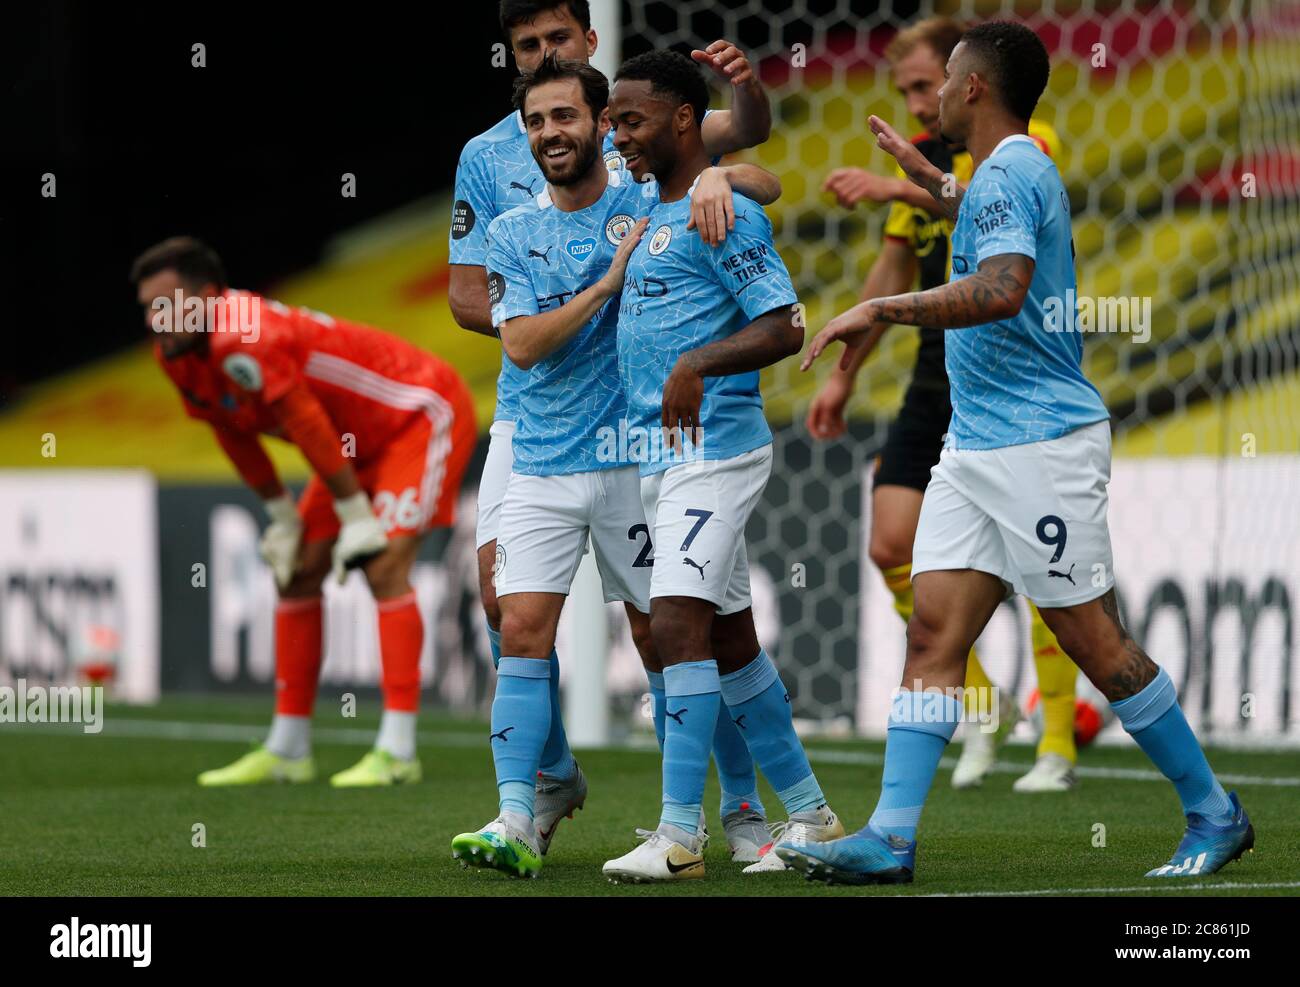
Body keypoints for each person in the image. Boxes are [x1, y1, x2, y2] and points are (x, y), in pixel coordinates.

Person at [785, 21, 1254, 884]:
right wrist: (928, 182)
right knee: (933, 630)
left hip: (1040, 444)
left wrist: (881, 310)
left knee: (1093, 642)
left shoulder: (1011, 168)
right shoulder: (1002, 174)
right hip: (976, 445)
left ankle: (1216, 811)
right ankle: (890, 836)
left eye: (945, 81)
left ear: (972, 88)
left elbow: (1002, 289)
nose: (927, 107)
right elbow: (989, 226)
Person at [448, 0, 784, 856]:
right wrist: (587, 291)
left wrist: (719, 173)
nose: (552, 128)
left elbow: (755, 165)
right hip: (541, 437)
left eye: (567, 109)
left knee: (670, 631)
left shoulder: (637, 160)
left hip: (641, 445)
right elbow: (491, 320)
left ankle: (737, 808)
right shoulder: (497, 183)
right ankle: (525, 804)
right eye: (527, 52)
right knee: (512, 615)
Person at [809, 16, 1079, 792]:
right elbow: (892, 268)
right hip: (940, 374)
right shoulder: (931, 159)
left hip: (1017, 382)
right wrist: (843, 375)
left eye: (926, 85)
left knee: (1043, 570)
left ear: (970, 84)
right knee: (891, 543)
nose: (918, 103)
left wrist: (901, 180)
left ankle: (1056, 739)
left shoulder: (1025, 147)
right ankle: (981, 707)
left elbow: (995, 234)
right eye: (905, 90)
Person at [600, 51, 845, 883]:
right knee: (733, 643)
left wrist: (696, 363)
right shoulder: (655, 198)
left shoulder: (724, 214)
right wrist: (729, 171)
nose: (616, 136)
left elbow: (783, 325)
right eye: (612, 120)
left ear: (679, 120)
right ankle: (810, 816)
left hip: (717, 447)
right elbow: (758, 171)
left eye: (630, 121)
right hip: (657, 455)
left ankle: (680, 836)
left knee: (675, 627)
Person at [134, 236, 475, 787]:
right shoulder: (177, 354)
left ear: (211, 296)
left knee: (384, 566)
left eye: (168, 303)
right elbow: (232, 430)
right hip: (354, 445)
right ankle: (289, 748)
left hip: (417, 411)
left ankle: (398, 751)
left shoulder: (241, 338)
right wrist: (280, 513)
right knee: (295, 573)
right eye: (149, 307)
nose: (157, 319)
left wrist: (356, 514)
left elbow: (305, 422)